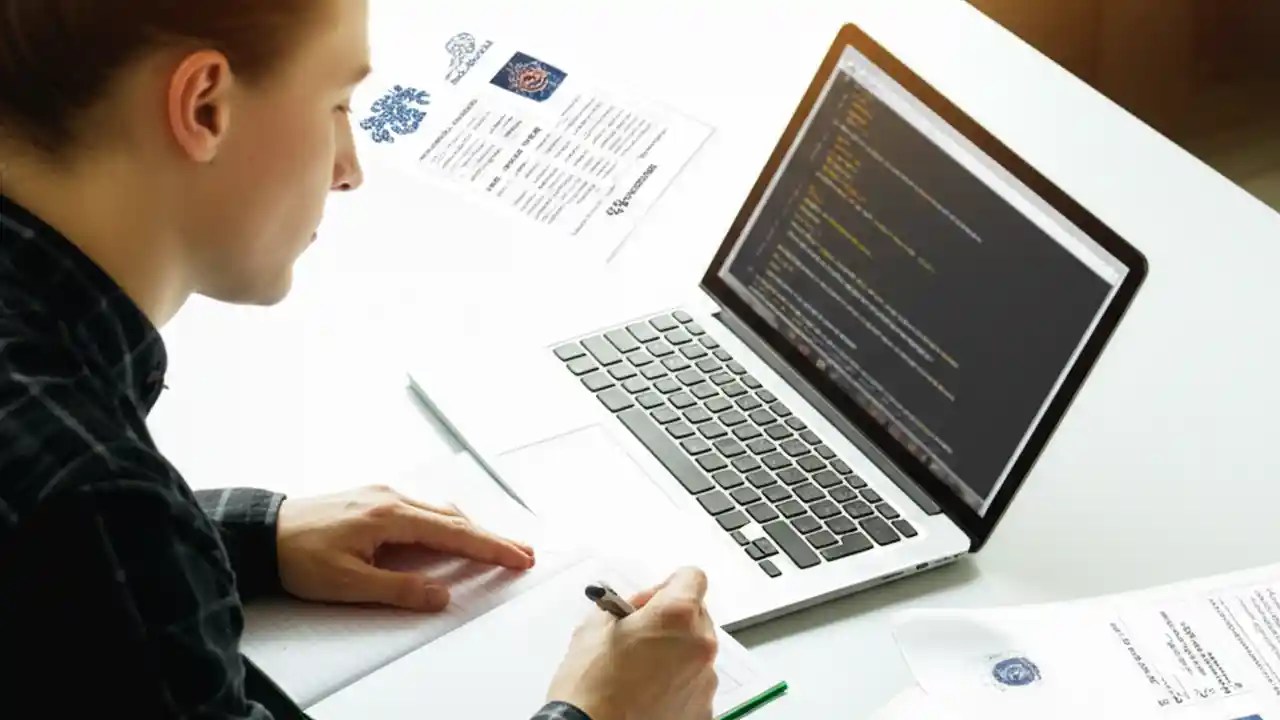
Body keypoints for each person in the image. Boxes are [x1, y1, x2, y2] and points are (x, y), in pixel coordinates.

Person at [0, 1, 719, 718]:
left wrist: (240, 538)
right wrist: (602, 713)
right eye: (338, 104)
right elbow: (74, 525)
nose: (349, 172)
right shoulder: (95, 508)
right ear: (206, 107)